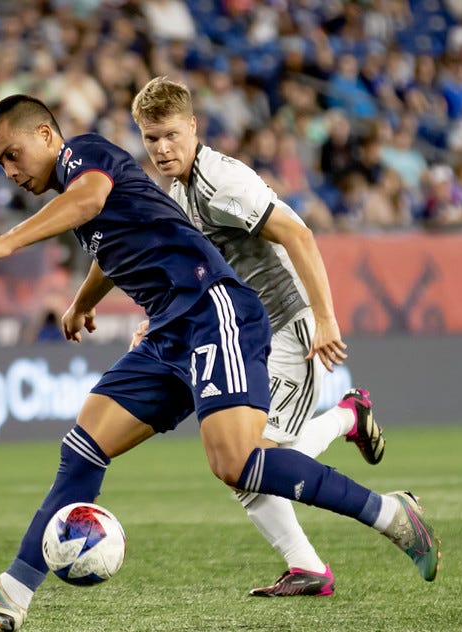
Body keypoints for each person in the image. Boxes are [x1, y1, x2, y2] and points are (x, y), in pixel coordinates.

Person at [0, 95, 441, 632]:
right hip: (167, 329)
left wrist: (5, 242)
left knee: (237, 463)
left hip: (212, 308)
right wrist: (85, 299)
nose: (9, 171)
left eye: (12, 155)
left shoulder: (83, 155)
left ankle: (392, 516)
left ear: (44, 135)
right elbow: (111, 241)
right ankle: (13, 593)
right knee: (84, 445)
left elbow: (88, 200)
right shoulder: (80, 189)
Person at [129, 75, 385, 597]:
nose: (161, 148)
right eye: (151, 138)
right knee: (242, 464)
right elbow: (194, 269)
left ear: (193, 127)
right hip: (245, 336)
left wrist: (325, 320)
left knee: (252, 461)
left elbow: (298, 234)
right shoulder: (177, 190)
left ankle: (345, 417)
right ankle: (308, 566)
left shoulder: (223, 182)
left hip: (289, 329)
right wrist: (156, 319)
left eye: (171, 135)